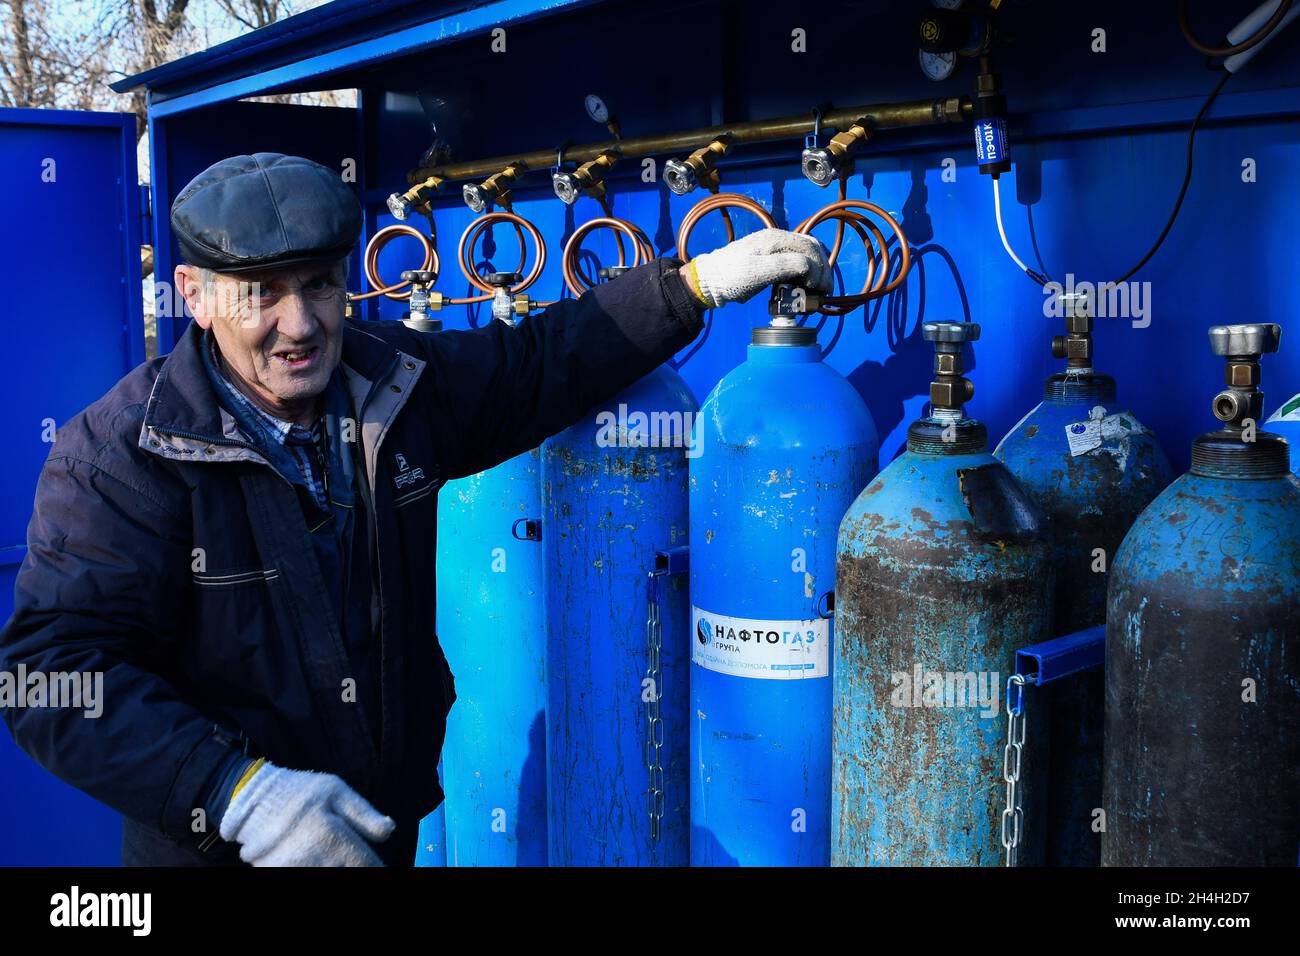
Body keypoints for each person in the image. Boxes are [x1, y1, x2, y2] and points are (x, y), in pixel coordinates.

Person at [0, 152, 832, 866]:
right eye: (261, 293)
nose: (300, 326)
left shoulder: (390, 386)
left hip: (380, 831)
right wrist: (237, 792)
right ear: (194, 291)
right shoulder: (123, 453)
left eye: (321, 285)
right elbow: (50, 678)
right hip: (227, 850)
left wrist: (691, 287)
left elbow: (535, 365)